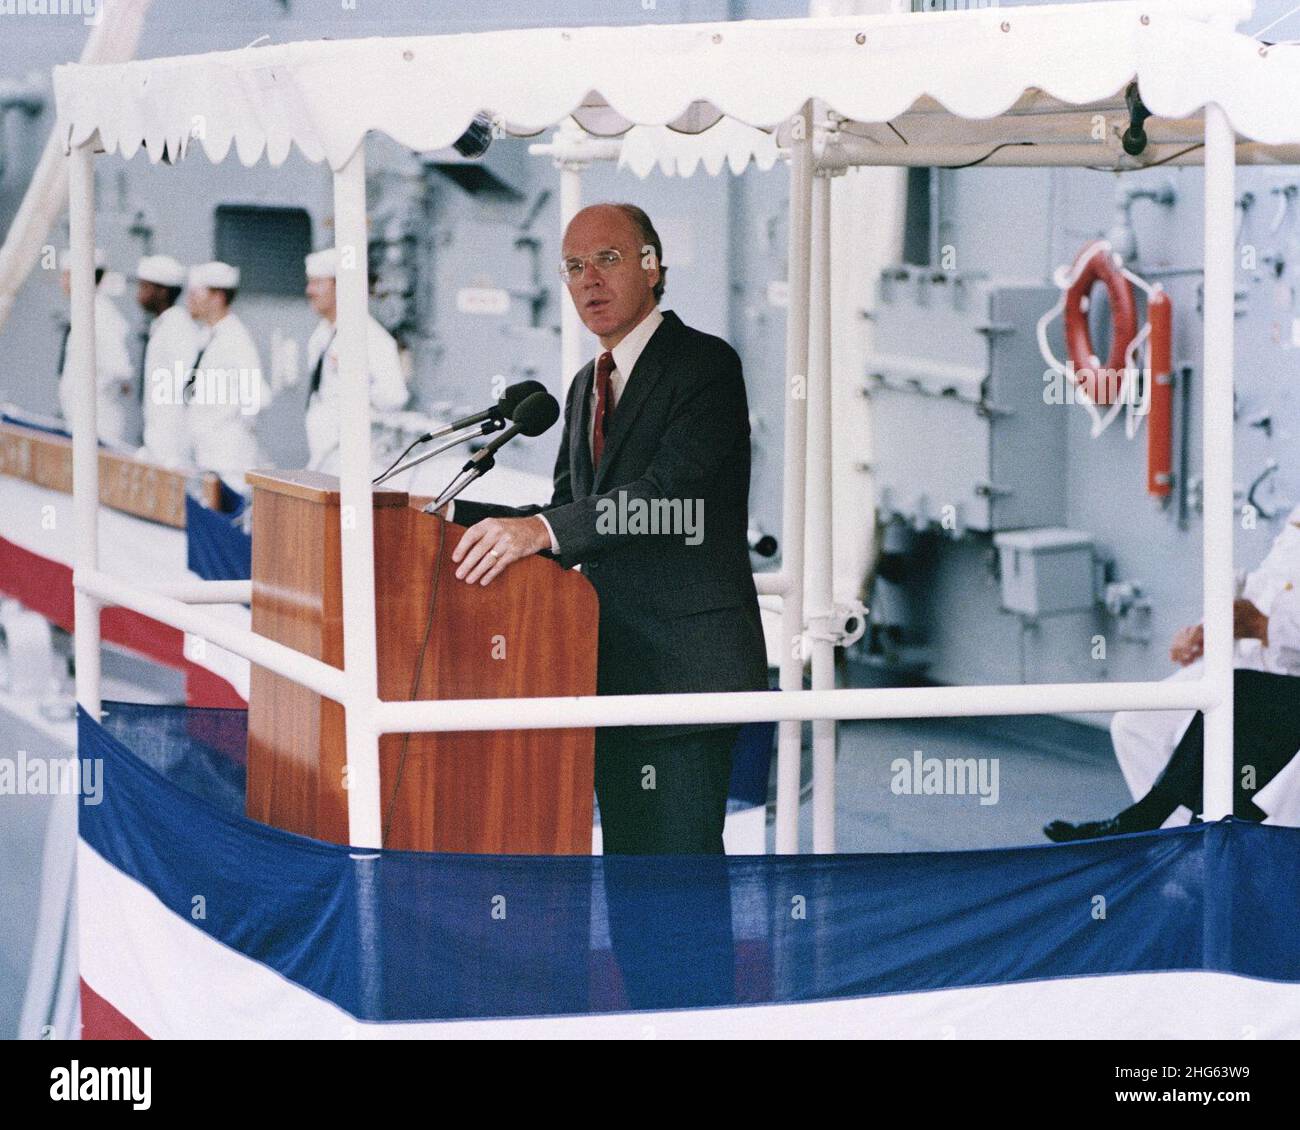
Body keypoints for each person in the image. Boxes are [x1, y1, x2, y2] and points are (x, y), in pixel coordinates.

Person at [445, 202, 768, 855]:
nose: (589, 279)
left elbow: (668, 502)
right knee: (628, 867)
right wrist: (450, 518)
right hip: (611, 669)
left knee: (677, 874)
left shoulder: (704, 367)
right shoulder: (585, 386)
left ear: (653, 267)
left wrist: (539, 531)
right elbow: (568, 506)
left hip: (686, 673)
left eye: (608, 259)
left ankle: (690, 967)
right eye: (573, 267)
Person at [1045, 505, 1300, 840]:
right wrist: (1207, 628)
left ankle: (1151, 824)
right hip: (1252, 659)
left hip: (1284, 675)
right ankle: (1172, 840)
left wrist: (1266, 626)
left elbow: (1272, 617)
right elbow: (1265, 584)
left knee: (1233, 699)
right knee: (1135, 724)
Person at [302, 247, 407, 471]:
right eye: (310, 282)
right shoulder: (321, 335)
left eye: (318, 283)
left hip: (352, 459)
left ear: (341, 286)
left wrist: (357, 381)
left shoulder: (370, 337)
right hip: (323, 454)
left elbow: (394, 396)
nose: (310, 290)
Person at [184, 261, 269, 489]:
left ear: (217, 297)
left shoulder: (235, 340)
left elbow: (257, 397)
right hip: (207, 457)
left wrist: (231, 434)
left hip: (228, 462)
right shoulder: (207, 337)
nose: (189, 300)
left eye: (195, 294)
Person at [56, 248, 135, 447]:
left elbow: (119, 368)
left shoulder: (100, 315)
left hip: (98, 420)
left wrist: (97, 390)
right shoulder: (87, 312)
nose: (62, 282)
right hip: (84, 419)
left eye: (67, 275)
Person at [135, 254, 199, 468]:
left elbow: (190, 383)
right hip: (159, 437)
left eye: (145, 287)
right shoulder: (163, 325)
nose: (139, 294)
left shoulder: (177, 327)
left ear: (162, 292)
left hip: (172, 442)